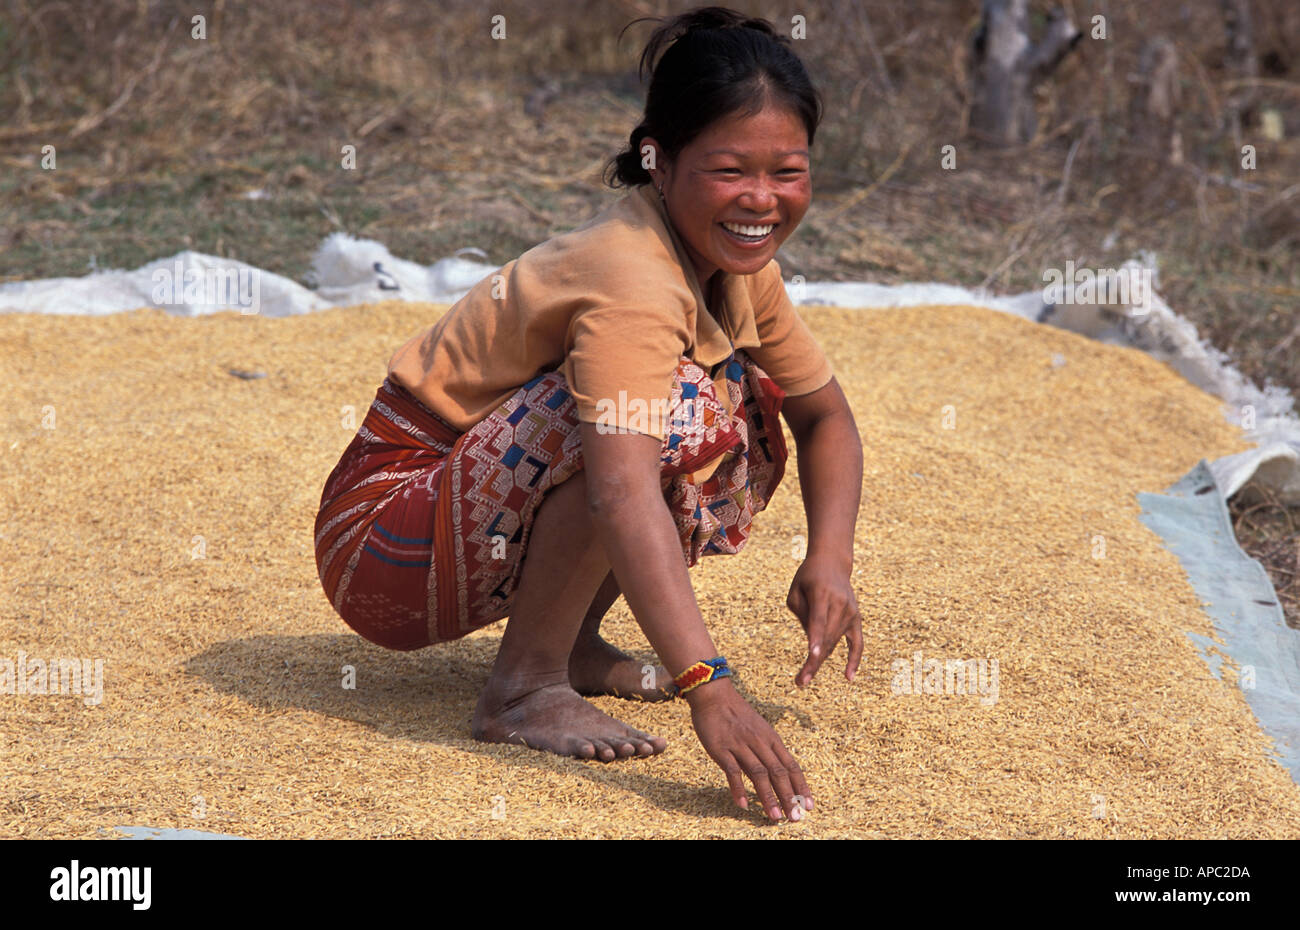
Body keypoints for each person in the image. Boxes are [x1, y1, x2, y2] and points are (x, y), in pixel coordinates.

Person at [313, 6, 864, 823]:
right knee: (674, 415)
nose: (762, 199)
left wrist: (831, 559)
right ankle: (524, 687)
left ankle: (568, 644)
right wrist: (708, 686)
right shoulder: (632, 276)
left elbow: (827, 420)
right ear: (659, 160)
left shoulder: (737, 265)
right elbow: (620, 491)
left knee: (741, 406)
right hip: (381, 540)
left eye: (788, 171)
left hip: (455, 514)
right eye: (729, 171)